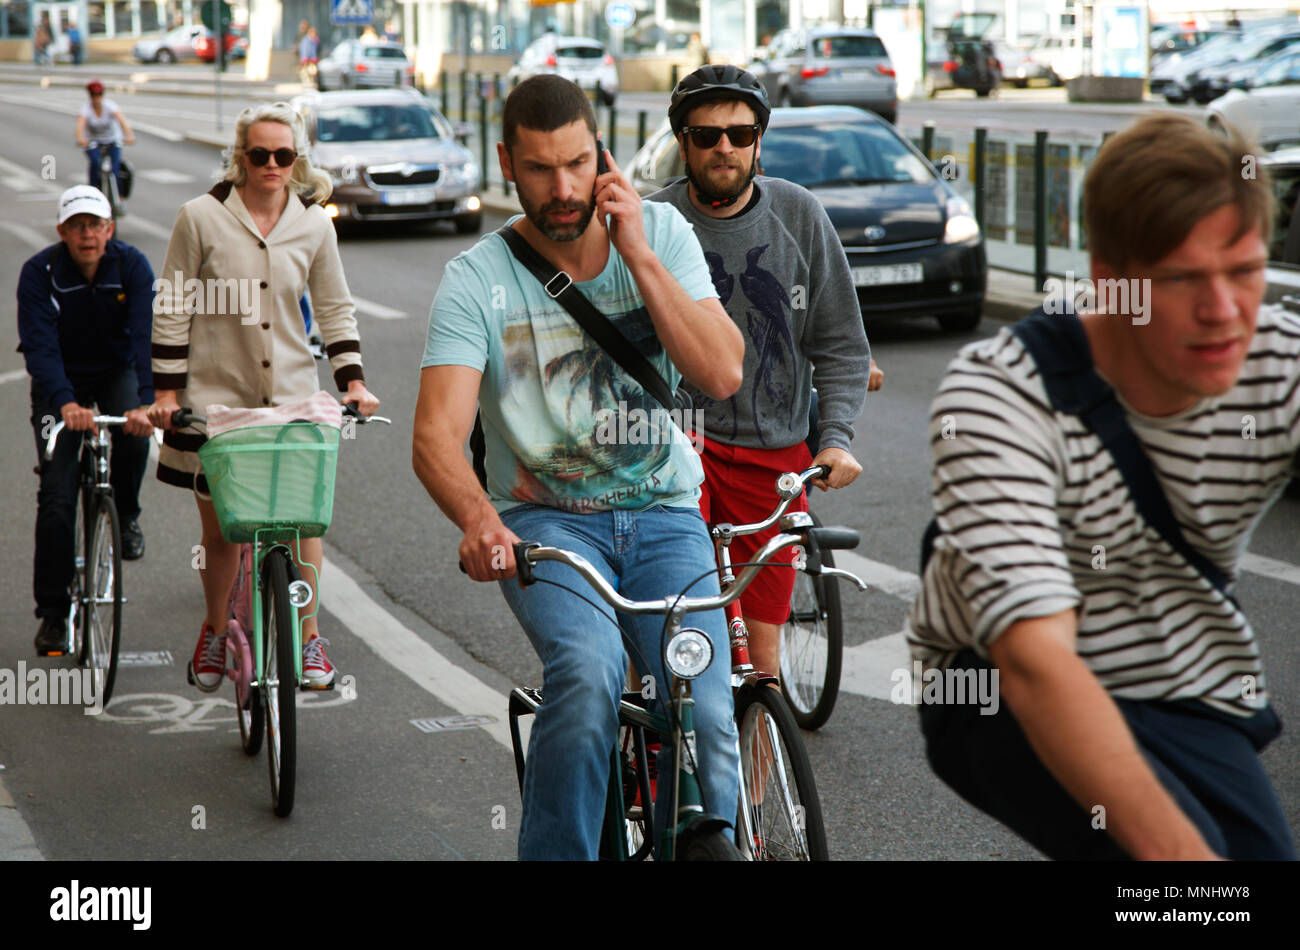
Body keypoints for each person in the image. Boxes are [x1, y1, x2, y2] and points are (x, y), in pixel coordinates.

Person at [909, 113, 1300, 860]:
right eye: (1183, 278)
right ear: (1109, 280)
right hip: (991, 684)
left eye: (1244, 271)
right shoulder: (1001, 392)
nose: (1224, 312)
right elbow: (1034, 662)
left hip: (1182, 670)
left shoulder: (1280, 362)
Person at [412, 74, 745, 860]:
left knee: (704, 703)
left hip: (665, 513)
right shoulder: (476, 280)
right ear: (505, 163)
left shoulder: (659, 234)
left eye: (576, 164)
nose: (562, 190)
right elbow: (435, 436)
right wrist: (479, 520)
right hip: (546, 525)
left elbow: (722, 374)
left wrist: (639, 256)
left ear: (602, 153)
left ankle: (708, 844)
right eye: (538, 169)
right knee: (590, 676)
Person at [647, 65, 879, 680]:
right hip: (673, 455)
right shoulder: (651, 223)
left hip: (771, 463)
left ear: (759, 140)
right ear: (682, 141)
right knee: (674, 646)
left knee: (760, 664)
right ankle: (650, 765)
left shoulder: (799, 216)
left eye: (741, 133)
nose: (725, 146)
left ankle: (756, 774)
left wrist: (834, 440)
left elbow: (841, 345)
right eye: (705, 134)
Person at [147, 102, 380, 693]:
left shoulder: (314, 224)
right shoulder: (199, 218)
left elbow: (333, 307)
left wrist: (351, 382)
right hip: (215, 401)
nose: (272, 165)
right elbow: (172, 306)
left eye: (283, 155)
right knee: (223, 531)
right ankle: (215, 629)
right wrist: (168, 394)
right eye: (260, 155)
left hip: (291, 401)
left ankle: (308, 639)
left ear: (295, 160)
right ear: (240, 157)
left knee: (304, 523)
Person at [18, 185, 155, 655]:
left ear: (109, 229)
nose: (87, 234)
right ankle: (53, 616)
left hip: (117, 369)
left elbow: (144, 336)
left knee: (136, 436)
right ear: (62, 231)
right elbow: (39, 347)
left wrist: (148, 402)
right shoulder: (40, 273)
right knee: (56, 496)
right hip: (61, 380)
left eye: (95, 224)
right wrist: (64, 403)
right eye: (77, 226)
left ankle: (127, 516)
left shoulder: (132, 265)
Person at [76, 80, 135, 196]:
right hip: (93, 141)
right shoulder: (86, 108)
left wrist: (129, 135)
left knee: (115, 169)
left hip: (112, 139)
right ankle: (93, 193)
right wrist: (80, 138)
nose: (96, 98)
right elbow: (80, 125)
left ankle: (120, 198)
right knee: (95, 163)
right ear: (90, 96)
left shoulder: (109, 106)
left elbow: (122, 121)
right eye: (94, 95)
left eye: (99, 95)